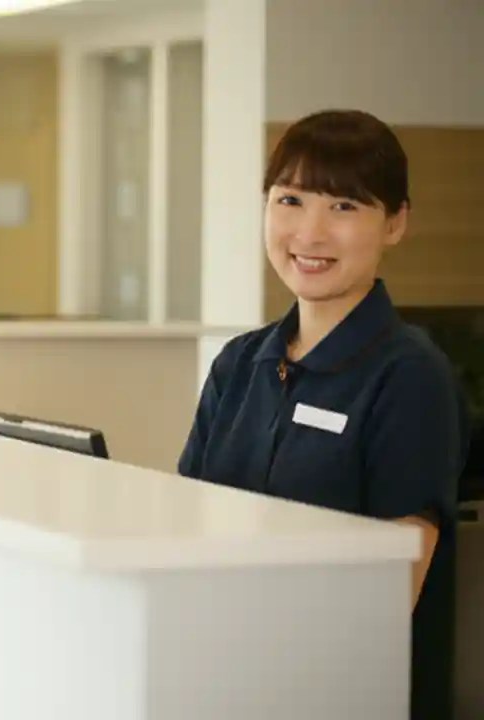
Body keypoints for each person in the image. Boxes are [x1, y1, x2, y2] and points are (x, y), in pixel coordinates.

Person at [177, 109, 472, 719]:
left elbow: (390, 594)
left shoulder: (410, 377)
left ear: (395, 223)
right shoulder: (240, 363)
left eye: (343, 206)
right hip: (230, 675)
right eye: (290, 200)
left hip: (340, 694)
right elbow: (187, 533)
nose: (309, 234)